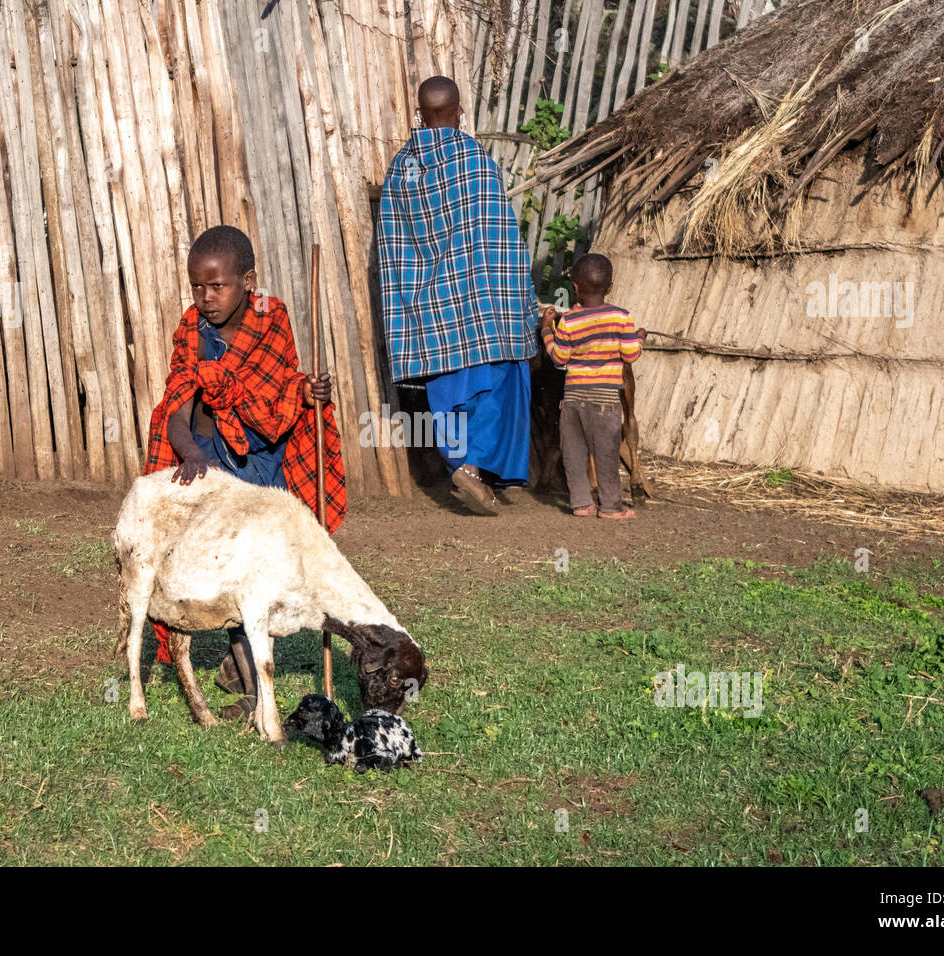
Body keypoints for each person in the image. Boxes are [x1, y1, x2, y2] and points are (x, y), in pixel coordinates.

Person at [142, 225, 345, 719]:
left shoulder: (271, 322)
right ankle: (254, 690)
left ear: (248, 280)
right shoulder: (193, 330)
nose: (206, 298)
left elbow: (283, 388)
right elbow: (176, 404)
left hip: (264, 459)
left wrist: (309, 392)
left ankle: (239, 668)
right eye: (197, 286)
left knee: (265, 567)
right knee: (230, 567)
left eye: (218, 286)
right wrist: (190, 453)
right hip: (212, 459)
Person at [376, 76, 539, 516]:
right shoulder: (474, 162)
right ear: (460, 112)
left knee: (449, 387)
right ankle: (473, 468)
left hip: (430, 310)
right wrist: (518, 299)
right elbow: (500, 237)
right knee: (498, 378)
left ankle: (463, 465)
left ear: (418, 114)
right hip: (485, 303)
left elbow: (394, 243)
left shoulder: (400, 169)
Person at [540, 253, 641, 519]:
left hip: (572, 401)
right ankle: (610, 507)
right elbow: (630, 355)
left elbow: (559, 358)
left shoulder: (570, 320)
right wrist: (640, 338)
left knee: (573, 455)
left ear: (574, 288)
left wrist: (547, 330)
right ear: (610, 288)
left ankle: (581, 504)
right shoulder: (621, 317)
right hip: (604, 401)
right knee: (606, 454)